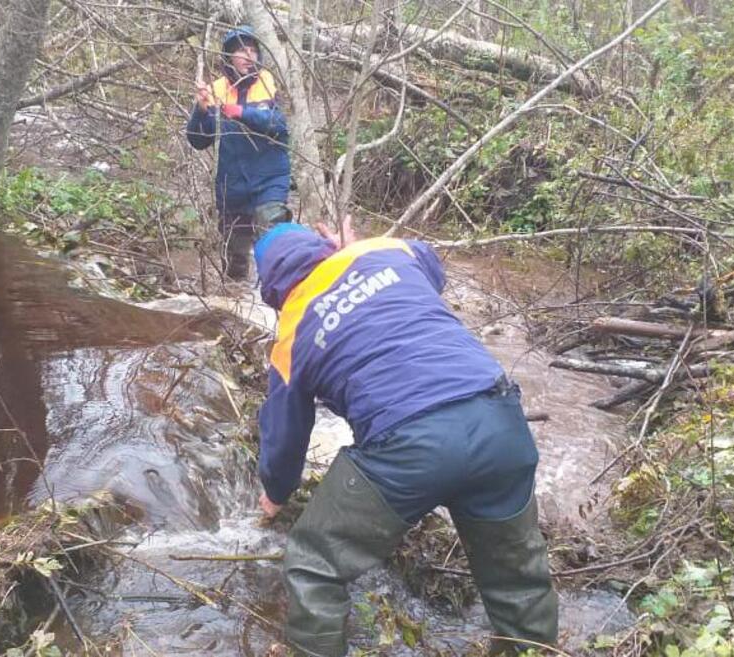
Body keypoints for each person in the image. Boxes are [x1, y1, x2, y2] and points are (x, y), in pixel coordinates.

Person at [253, 220, 558, 656]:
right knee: (518, 583)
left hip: (410, 447)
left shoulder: (292, 333)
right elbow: (432, 271)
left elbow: (286, 438)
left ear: (272, 292)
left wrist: (276, 493)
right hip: (500, 423)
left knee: (313, 564)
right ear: (324, 246)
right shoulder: (387, 251)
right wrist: (356, 253)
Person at [185, 26, 292, 281]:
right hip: (231, 185)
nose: (248, 56)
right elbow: (199, 140)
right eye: (241, 51)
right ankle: (238, 311)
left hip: (270, 179)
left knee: (274, 245)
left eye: (253, 51)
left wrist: (241, 113)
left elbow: (278, 126)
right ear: (228, 57)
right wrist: (201, 111)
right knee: (236, 263)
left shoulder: (269, 82)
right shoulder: (217, 89)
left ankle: (277, 309)